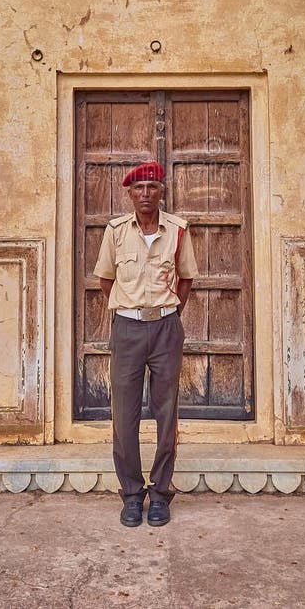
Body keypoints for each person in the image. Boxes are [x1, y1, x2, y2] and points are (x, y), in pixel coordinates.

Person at [94, 160, 198, 528]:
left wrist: (166, 313)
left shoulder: (178, 230)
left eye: (152, 187)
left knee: (166, 412)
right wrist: (132, 309)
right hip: (127, 328)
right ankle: (132, 495)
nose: (146, 194)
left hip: (166, 328)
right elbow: (107, 280)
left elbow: (185, 279)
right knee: (124, 416)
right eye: (138, 189)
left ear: (161, 191)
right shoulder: (117, 232)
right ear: (130, 194)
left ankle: (161, 495)